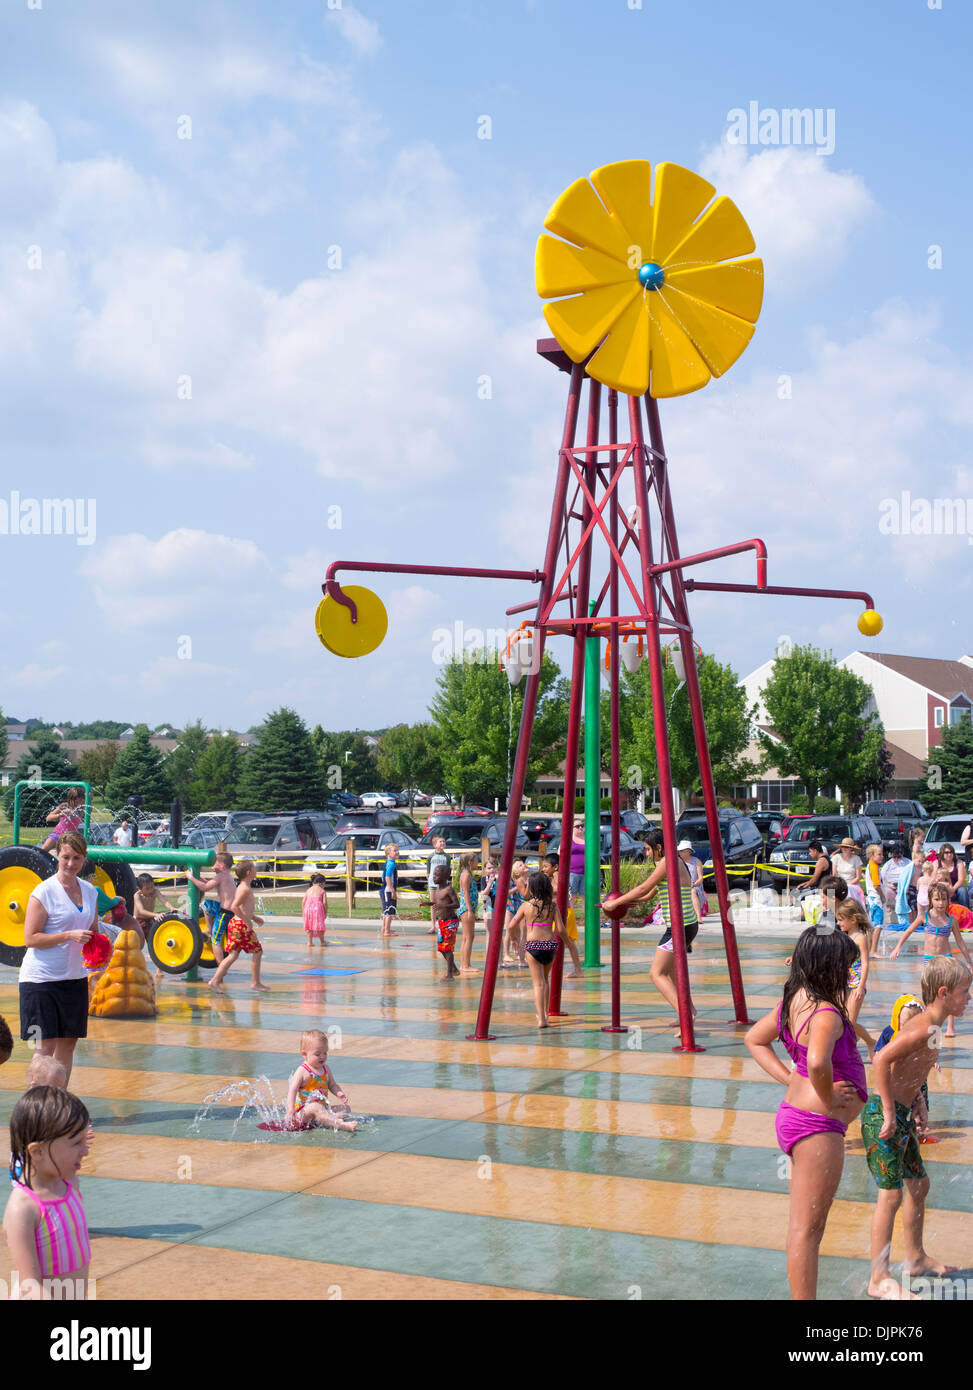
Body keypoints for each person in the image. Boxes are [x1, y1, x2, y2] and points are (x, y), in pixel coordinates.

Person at [745, 925, 867, 1300]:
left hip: (798, 1117)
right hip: (818, 1126)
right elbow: (816, 1061)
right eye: (847, 968)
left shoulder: (796, 999)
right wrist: (827, 1095)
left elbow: (755, 1039)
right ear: (828, 968)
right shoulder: (826, 1011)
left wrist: (788, 1080)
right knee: (807, 1229)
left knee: (803, 1225)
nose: (851, 976)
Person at [860, 956, 970, 1299]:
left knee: (918, 1185)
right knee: (890, 1195)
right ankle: (879, 1278)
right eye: (965, 992)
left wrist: (919, 1103)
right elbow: (881, 1059)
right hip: (883, 1116)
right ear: (944, 993)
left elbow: (915, 1069)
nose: (969, 998)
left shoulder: (935, 1029)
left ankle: (916, 1258)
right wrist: (891, 1112)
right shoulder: (924, 1026)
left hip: (905, 1115)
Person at [602, 827, 699, 1032]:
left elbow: (643, 888)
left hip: (679, 927)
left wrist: (615, 902)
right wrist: (625, 904)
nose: (645, 853)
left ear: (659, 847)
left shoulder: (666, 863)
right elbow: (648, 895)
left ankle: (686, 1016)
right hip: (686, 925)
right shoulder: (676, 861)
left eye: (647, 849)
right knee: (672, 971)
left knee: (656, 974)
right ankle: (689, 1009)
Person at [19, 832, 96, 1085]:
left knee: (68, 1044)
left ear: (84, 859)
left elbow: (93, 933)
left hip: (74, 978)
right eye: (65, 857)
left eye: (76, 858)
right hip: (41, 980)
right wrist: (67, 935)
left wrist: (100, 959)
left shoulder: (90, 891)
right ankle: (35, 1109)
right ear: (57, 856)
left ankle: (60, 1106)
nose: (70, 864)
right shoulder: (44, 892)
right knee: (45, 1047)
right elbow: (30, 938)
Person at [3, 1086, 92, 1299]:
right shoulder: (23, 1208)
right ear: (38, 1151)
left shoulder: (68, 1183)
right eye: (77, 1143)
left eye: (85, 1140)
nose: (86, 1151)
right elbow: (29, 1284)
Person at [890, 881, 973, 1036]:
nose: (941, 903)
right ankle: (929, 1022)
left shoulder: (951, 920)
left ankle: (950, 1027)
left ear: (948, 900)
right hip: (929, 961)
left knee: (949, 993)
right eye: (937, 899)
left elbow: (960, 942)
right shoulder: (924, 917)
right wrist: (897, 947)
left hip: (946, 960)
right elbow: (907, 931)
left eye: (944, 899)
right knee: (929, 993)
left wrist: (969, 962)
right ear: (930, 900)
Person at [873, 997, 937, 1144]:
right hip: (896, 1083)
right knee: (898, 1105)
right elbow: (879, 1056)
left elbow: (926, 1053)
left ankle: (918, 1128)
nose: (907, 1031)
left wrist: (933, 1062)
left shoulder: (922, 1035)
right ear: (896, 1019)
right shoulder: (890, 1033)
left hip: (916, 1079)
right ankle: (896, 1125)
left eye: (913, 1026)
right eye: (903, 1025)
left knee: (920, 1102)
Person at [508, 870, 566, 1028]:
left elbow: (511, 925)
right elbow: (560, 929)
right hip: (550, 946)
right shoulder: (553, 907)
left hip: (533, 946)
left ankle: (541, 1019)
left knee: (537, 984)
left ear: (531, 889)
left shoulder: (526, 906)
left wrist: (513, 939)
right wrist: (568, 943)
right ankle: (545, 1014)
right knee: (545, 981)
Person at [208, 859, 269, 992]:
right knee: (257, 952)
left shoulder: (243, 887)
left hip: (237, 924)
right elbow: (234, 906)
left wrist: (253, 917)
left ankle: (215, 980)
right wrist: (247, 921)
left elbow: (243, 907)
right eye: (254, 868)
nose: (256, 871)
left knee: (233, 955)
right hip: (241, 926)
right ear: (249, 872)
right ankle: (255, 983)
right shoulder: (244, 889)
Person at [284, 1030, 357, 1132]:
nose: (322, 1056)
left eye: (325, 1053)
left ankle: (327, 1119)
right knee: (315, 1107)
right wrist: (290, 1110)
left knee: (346, 1109)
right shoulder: (302, 1071)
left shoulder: (326, 1068)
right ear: (304, 1054)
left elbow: (332, 1085)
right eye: (317, 1054)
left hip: (323, 1108)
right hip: (304, 1113)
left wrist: (339, 1093)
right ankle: (340, 1124)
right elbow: (292, 1090)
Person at [835, 899, 875, 1054]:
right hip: (844, 984)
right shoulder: (845, 936)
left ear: (853, 919)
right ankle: (853, 1039)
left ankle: (871, 1042)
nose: (838, 924)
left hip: (856, 985)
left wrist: (860, 986)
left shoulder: (860, 938)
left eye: (841, 920)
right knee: (841, 1019)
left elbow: (865, 963)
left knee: (850, 1021)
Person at [188, 852, 236, 963]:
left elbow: (205, 887)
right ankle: (209, 930)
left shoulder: (221, 876)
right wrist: (198, 877)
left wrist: (191, 878)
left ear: (222, 865)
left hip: (225, 913)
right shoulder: (226, 876)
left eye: (214, 863)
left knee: (216, 941)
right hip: (225, 910)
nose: (212, 866)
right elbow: (209, 883)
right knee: (206, 904)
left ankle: (221, 968)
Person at [540, 854, 582, 977]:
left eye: (546, 866)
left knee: (565, 942)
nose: (543, 869)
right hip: (560, 914)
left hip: (565, 914)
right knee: (565, 943)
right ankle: (573, 970)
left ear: (556, 867)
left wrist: (542, 888)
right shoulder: (553, 877)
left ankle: (575, 970)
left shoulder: (558, 876)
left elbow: (559, 890)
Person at [430, 862, 461, 982]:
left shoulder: (449, 889)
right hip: (442, 922)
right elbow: (439, 903)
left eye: (436, 875)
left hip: (450, 921)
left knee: (447, 948)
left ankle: (450, 974)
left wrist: (445, 905)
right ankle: (454, 969)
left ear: (445, 877)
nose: (434, 877)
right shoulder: (438, 888)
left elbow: (456, 904)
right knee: (441, 948)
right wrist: (430, 904)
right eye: (434, 875)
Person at [880, 842, 912, 939]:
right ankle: (888, 919)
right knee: (886, 893)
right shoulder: (888, 864)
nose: (897, 859)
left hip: (904, 886)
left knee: (905, 895)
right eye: (894, 857)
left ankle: (904, 920)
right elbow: (882, 878)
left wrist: (904, 887)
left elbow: (912, 876)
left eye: (898, 857)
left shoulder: (908, 863)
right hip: (891, 885)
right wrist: (889, 885)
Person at [40, 788, 84, 854]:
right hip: (57, 834)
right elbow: (48, 818)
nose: (77, 804)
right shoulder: (64, 806)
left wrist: (89, 796)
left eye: (80, 801)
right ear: (70, 799)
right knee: (44, 849)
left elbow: (90, 805)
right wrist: (61, 814)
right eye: (76, 801)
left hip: (71, 837)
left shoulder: (82, 808)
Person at [503, 859, 529, 966]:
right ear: (516, 873)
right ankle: (507, 954)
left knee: (519, 932)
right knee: (509, 930)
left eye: (523, 864)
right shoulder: (512, 881)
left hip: (520, 906)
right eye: (520, 865)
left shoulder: (528, 879)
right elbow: (506, 893)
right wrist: (516, 889)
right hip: (510, 906)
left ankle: (519, 953)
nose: (524, 865)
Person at [457, 852, 479, 974]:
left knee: (467, 937)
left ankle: (464, 964)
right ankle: (465, 965)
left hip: (467, 909)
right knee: (468, 937)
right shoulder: (466, 875)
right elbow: (465, 893)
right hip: (466, 909)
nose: (478, 863)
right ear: (470, 863)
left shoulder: (467, 874)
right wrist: (470, 910)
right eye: (476, 861)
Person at [425, 836, 451, 936]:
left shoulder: (447, 857)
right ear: (435, 844)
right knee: (433, 904)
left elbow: (448, 870)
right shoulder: (431, 856)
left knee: (442, 904)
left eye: (444, 841)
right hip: (432, 883)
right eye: (440, 841)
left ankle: (442, 924)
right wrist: (429, 876)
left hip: (443, 884)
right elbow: (428, 871)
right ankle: (433, 926)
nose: (443, 843)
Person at [863, 843, 885, 954]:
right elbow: (876, 885)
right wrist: (883, 896)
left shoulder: (869, 866)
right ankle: (873, 951)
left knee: (871, 925)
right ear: (871, 855)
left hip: (871, 899)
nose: (882, 856)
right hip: (876, 899)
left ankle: (869, 949)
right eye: (879, 854)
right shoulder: (874, 868)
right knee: (878, 925)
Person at [678, 840, 707, 920]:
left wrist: (693, 885)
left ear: (688, 851)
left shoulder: (697, 861)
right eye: (679, 851)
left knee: (693, 892)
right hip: (681, 886)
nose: (679, 852)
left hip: (695, 886)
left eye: (681, 851)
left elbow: (700, 878)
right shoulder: (678, 861)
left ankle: (698, 916)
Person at [830, 838, 865, 905]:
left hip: (852, 885)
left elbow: (858, 877)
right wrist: (840, 884)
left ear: (851, 848)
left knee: (849, 896)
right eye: (843, 847)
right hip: (839, 883)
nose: (844, 849)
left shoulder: (856, 858)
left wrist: (847, 885)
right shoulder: (836, 857)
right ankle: (829, 910)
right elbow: (834, 874)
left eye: (847, 847)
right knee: (830, 891)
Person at [935, 843, 969, 909]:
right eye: (947, 852)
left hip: (955, 888)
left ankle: (966, 912)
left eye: (951, 852)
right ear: (942, 853)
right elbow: (933, 880)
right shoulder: (936, 863)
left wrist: (952, 889)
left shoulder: (959, 862)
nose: (949, 854)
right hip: (941, 888)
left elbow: (961, 880)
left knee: (962, 890)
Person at [302, 874, 328, 946]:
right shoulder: (322, 891)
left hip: (308, 909)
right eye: (324, 884)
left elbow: (303, 901)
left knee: (309, 926)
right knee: (319, 926)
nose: (324, 885)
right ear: (321, 883)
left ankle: (310, 942)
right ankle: (322, 942)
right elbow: (324, 903)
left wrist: (303, 912)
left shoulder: (308, 890)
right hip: (318, 910)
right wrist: (326, 912)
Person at [379, 843, 398, 939]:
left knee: (386, 911)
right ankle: (387, 931)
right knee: (389, 911)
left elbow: (383, 877)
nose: (397, 852)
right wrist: (392, 890)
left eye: (397, 850)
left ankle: (385, 928)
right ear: (388, 854)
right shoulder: (391, 864)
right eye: (394, 851)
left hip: (385, 890)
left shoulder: (388, 862)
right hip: (388, 891)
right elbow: (387, 877)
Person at [568, 817, 586, 904]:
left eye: (582, 826)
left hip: (586, 873)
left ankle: (587, 916)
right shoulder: (568, 838)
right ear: (572, 828)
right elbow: (560, 853)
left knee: (585, 896)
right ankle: (570, 917)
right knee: (571, 896)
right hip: (572, 873)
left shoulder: (588, 839)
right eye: (577, 826)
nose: (580, 828)